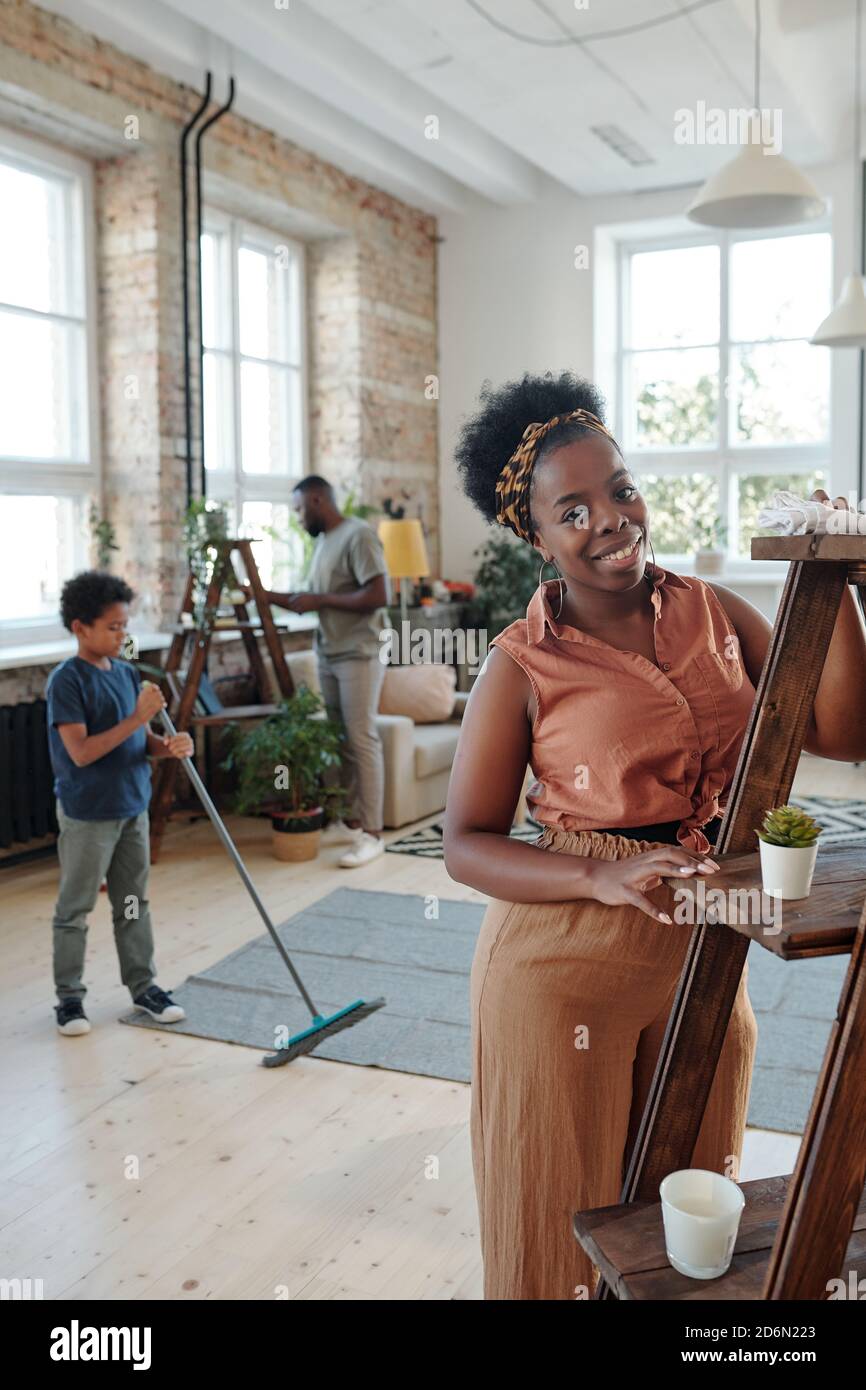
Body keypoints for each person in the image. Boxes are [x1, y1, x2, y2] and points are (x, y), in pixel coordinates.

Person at [443, 369, 866, 1300]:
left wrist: (827, 567)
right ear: (537, 534)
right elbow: (465, 842)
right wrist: (597, 880)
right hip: (560, 969)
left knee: (696, 1224)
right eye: (574, 510)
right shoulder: (522, 664)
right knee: (559, 1225)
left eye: (620, 489)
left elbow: (846, 733)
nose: (612, 520)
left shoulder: (717, 613)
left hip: (708, 948)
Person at [46, 571, 193, 1037]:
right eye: (113, 627)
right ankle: (69, 999)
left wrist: (166, 745)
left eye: (125, 625)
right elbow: (83, 752)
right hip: (88, 815)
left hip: (132, 807)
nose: (122, 634)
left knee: (132, 902)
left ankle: (143, 986)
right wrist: (137, 718)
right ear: (80, 628)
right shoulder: (66, 683)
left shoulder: (128, 673)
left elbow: (140, 741)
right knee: (76, 907)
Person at [252, 476, 391, 868]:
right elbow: (304, 601)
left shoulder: (358, 535)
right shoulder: (322, 543)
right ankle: (350, 822)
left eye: (298, 508)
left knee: (361, 738)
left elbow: (381, 594)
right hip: (329, 653)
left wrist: (322, 600)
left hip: (359, 653)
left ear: (316, 499)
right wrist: (258, 594)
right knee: (340, 738)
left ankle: (372, 834)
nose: (297, 517)